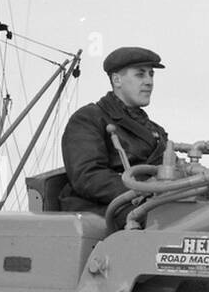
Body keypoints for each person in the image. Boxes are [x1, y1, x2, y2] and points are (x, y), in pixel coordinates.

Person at [59, 46, 170, 213]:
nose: (149, 81)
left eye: (151, 74)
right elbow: (88, 176)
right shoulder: (88, 119)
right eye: (140, 74)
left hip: (148, 206)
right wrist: (142, 191)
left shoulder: (155, 130)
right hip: (106, 211)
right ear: (117, 80)